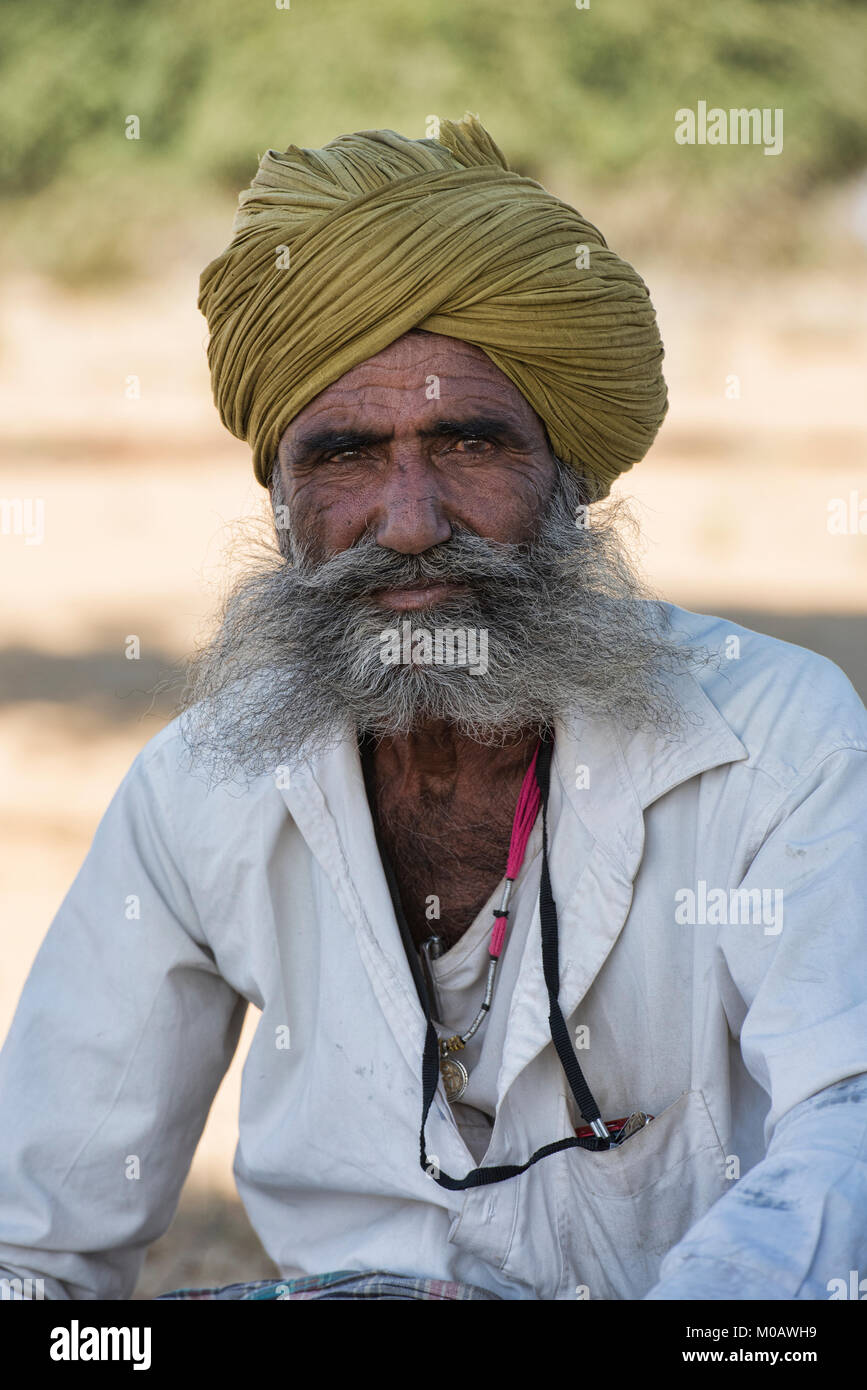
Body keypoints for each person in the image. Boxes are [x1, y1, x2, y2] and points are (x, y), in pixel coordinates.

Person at [0, 116, 865, 1302]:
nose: (409, 521)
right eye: (346, 456)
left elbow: (849, 1131)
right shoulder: (197, 790)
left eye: (468, 441)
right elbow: (30, 1239)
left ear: (567, 480)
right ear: (280, 502)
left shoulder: (776, 743)